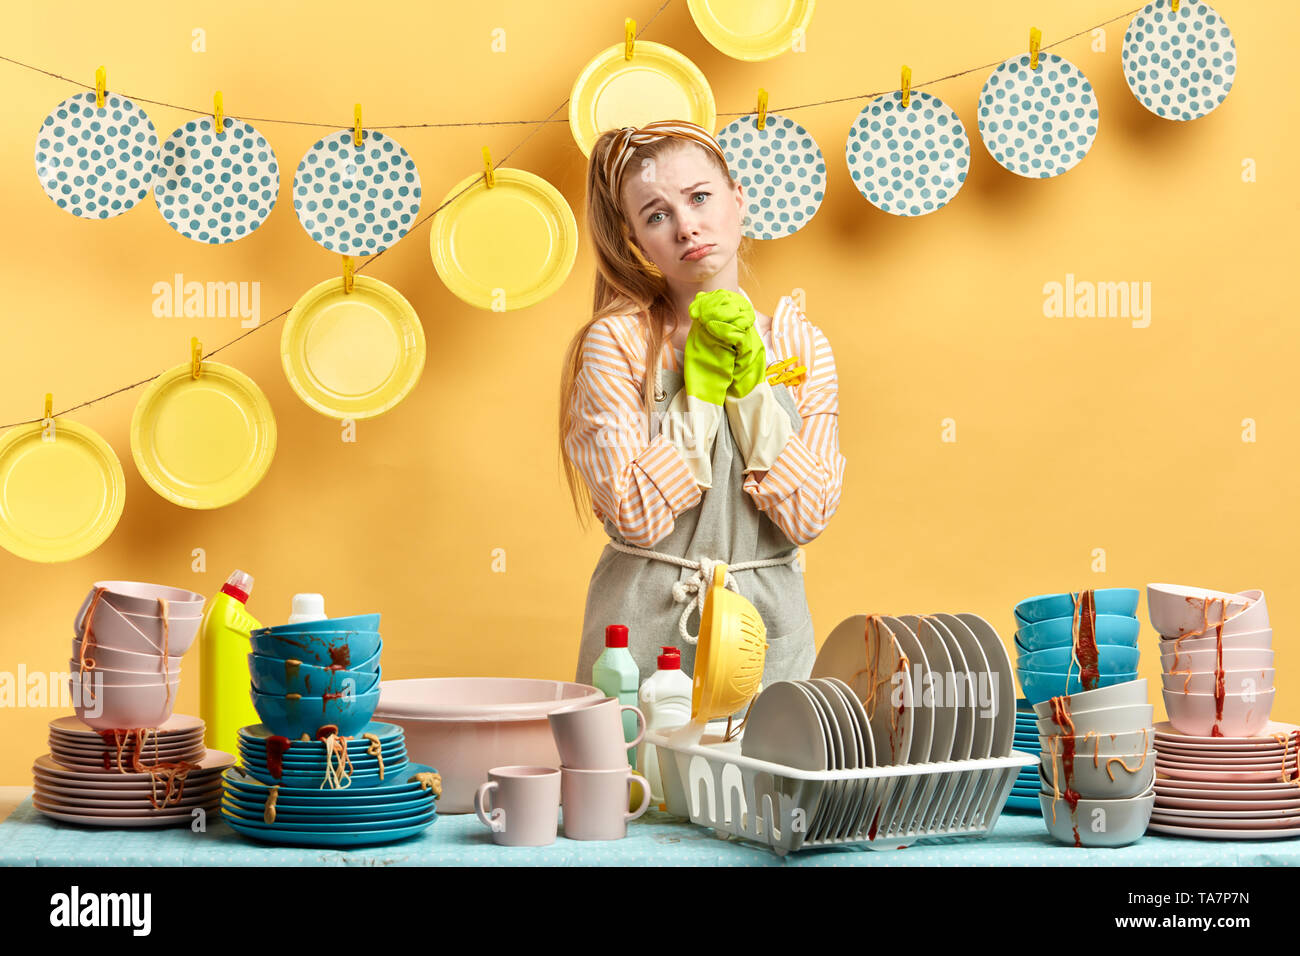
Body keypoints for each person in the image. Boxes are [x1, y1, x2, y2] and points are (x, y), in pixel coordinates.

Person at [558, 119, 846, 693]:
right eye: (657, 215)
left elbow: (808, 515)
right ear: (638, 241)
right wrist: (704, 392)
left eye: (699, 198)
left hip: (767, 630)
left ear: (737, 201)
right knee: (641, 783)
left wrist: (750, 391)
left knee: (765, 784)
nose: (687, 227)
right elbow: (637, 518)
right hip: (643, 631)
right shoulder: (617, 343)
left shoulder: (799, 344)